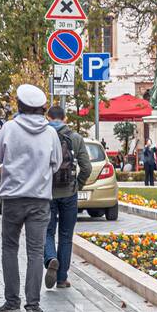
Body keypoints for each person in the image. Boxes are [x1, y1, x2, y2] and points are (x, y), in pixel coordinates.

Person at [0, 84, 60, 312]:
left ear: (19, 105)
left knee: (10, 248)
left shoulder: (9, 128)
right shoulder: (50, 133)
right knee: (36, 251)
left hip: (12, 199)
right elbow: (56, 162)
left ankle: (12, 302)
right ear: (41, 108)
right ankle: (33, 305)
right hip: (40, 199)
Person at [43, 105, 92, 290]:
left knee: (46, 231)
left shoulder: (43, 136)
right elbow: (86, 167)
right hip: (69, 192)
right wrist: (77, 184)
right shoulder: (76, 137)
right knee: (65, 235)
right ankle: (62, 278)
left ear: (48, 117)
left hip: (47, 192)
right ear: (65, 119)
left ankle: (50, 259)